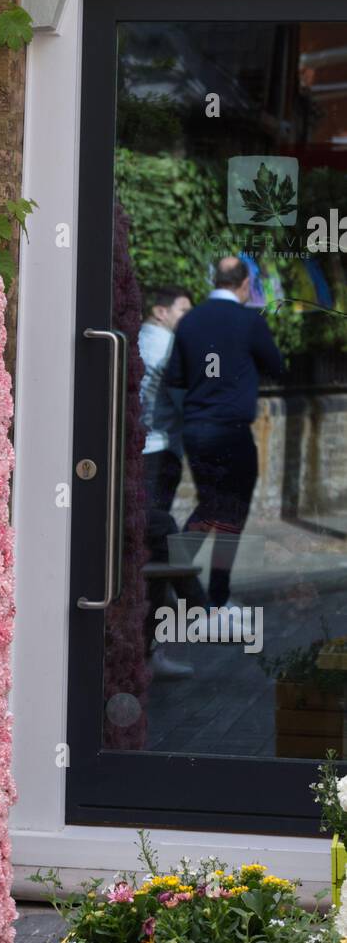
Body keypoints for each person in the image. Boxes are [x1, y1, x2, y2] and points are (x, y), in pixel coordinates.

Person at [167, 256, 283, 611]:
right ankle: (214, 595)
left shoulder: (189, 321)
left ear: (214, 280)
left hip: (196, 429)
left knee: (211, 506)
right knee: (230, 512)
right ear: (246, 283)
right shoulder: (249, 321)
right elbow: (277, 367)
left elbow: (176, 379)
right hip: (231, 431)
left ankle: (171, 579)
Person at [139, 284, 195, 679]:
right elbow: (188, 403)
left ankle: (146, 650)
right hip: (158, 455)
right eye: (183, 310)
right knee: (157, 550)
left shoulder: (140, 340)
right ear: (161, 311)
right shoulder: (168, 349)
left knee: (146, 550)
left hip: (144, 453)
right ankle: (151, 652)